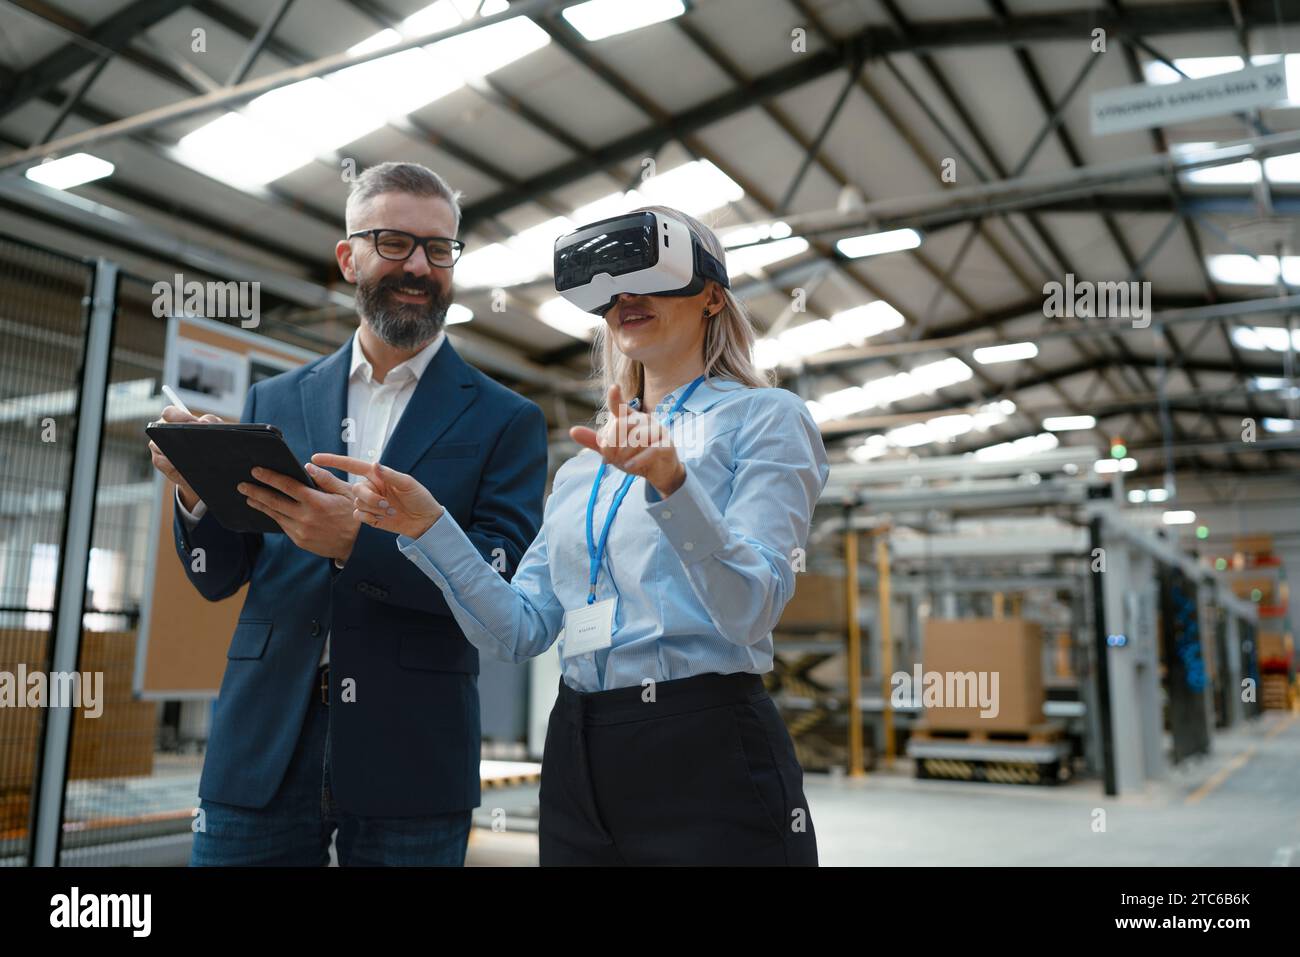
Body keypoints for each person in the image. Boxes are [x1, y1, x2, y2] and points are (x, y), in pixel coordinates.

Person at [315, 205, 828, 865]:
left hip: (705, 746)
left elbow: (751, 606)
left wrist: (674, 487)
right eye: (612, 289)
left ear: (711, 299)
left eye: (652, 279)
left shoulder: (768, 419)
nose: (625, 299)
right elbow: (520, 629)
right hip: (578, 749)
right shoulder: (584, 466)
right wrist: (430, 527)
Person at [147, 161, 548, 866]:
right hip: (264, 735)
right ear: (348, 256)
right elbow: (220, 577)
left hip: (413, 750)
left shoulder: (506, 421)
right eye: (394, 242)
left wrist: (354, 546)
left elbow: (499, 584)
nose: (420, 265)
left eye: (439, 248)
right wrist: (195, 493)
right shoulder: (276, 400)